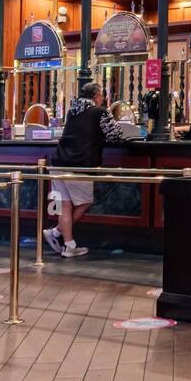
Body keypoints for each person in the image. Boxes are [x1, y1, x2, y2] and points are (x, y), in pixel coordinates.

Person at [44, 81, 125, 258]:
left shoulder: (72, 112)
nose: (102, 99)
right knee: (85, 202)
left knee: (65, 205)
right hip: (79, 164)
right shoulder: (100, 111)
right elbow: (115, 135)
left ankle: (68, 244)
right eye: (102, 96)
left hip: (58, 161)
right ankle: (57, 233)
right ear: (96, 96)